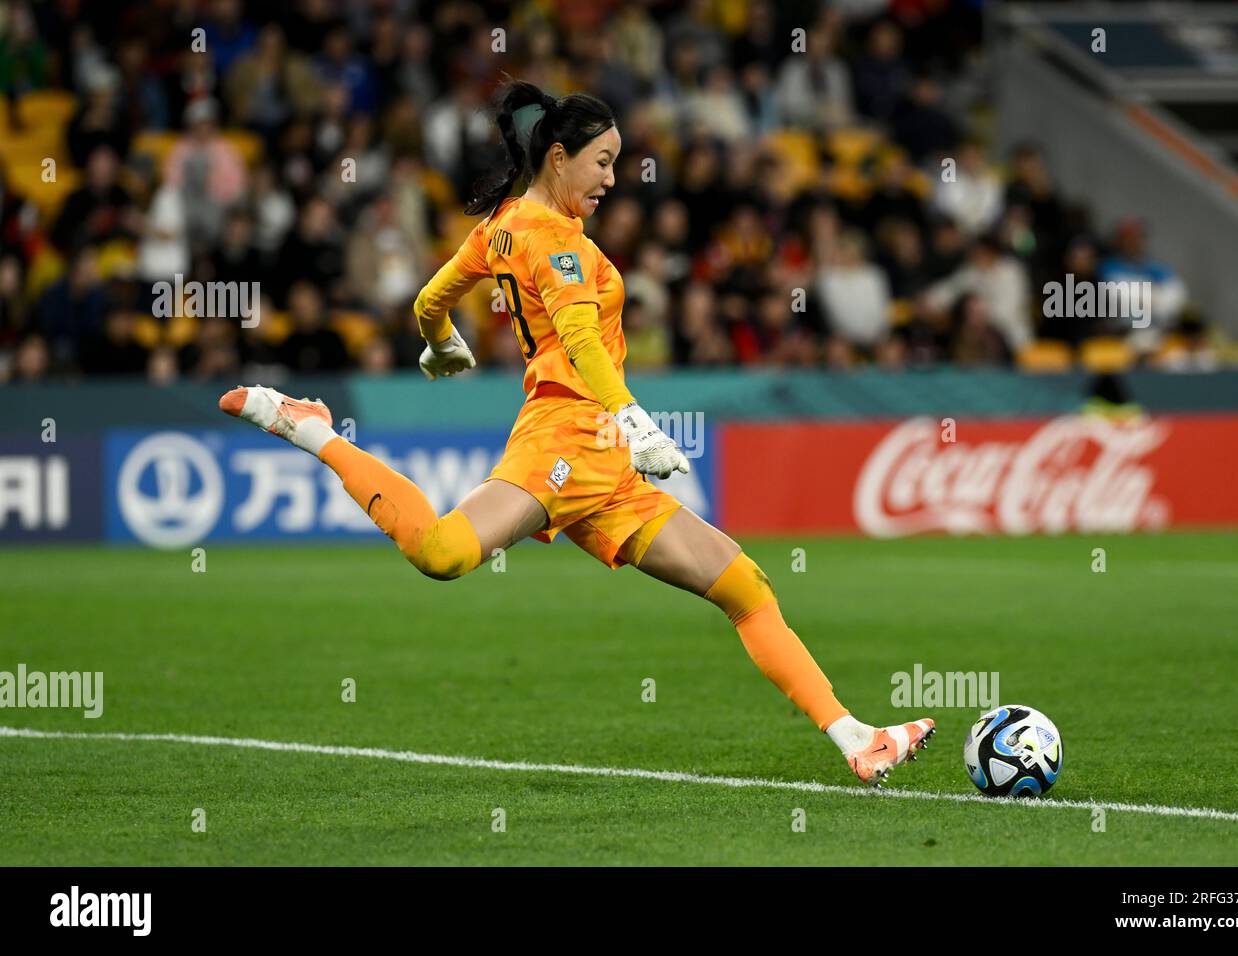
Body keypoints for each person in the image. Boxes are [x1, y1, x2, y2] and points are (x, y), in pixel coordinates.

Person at [218, 80, 933, 786]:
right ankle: (313, 430)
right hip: (565, 439)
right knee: (442, 553)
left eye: (617, 163)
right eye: (603, 162)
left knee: (744, 585)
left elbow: (428, 299)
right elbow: (581, 339)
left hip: (604, 460)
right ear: (558, 158)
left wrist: (440, 343)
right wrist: (636, 420)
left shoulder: (500, 225)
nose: (612, 180)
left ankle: (856, 737)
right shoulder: (556, 243)